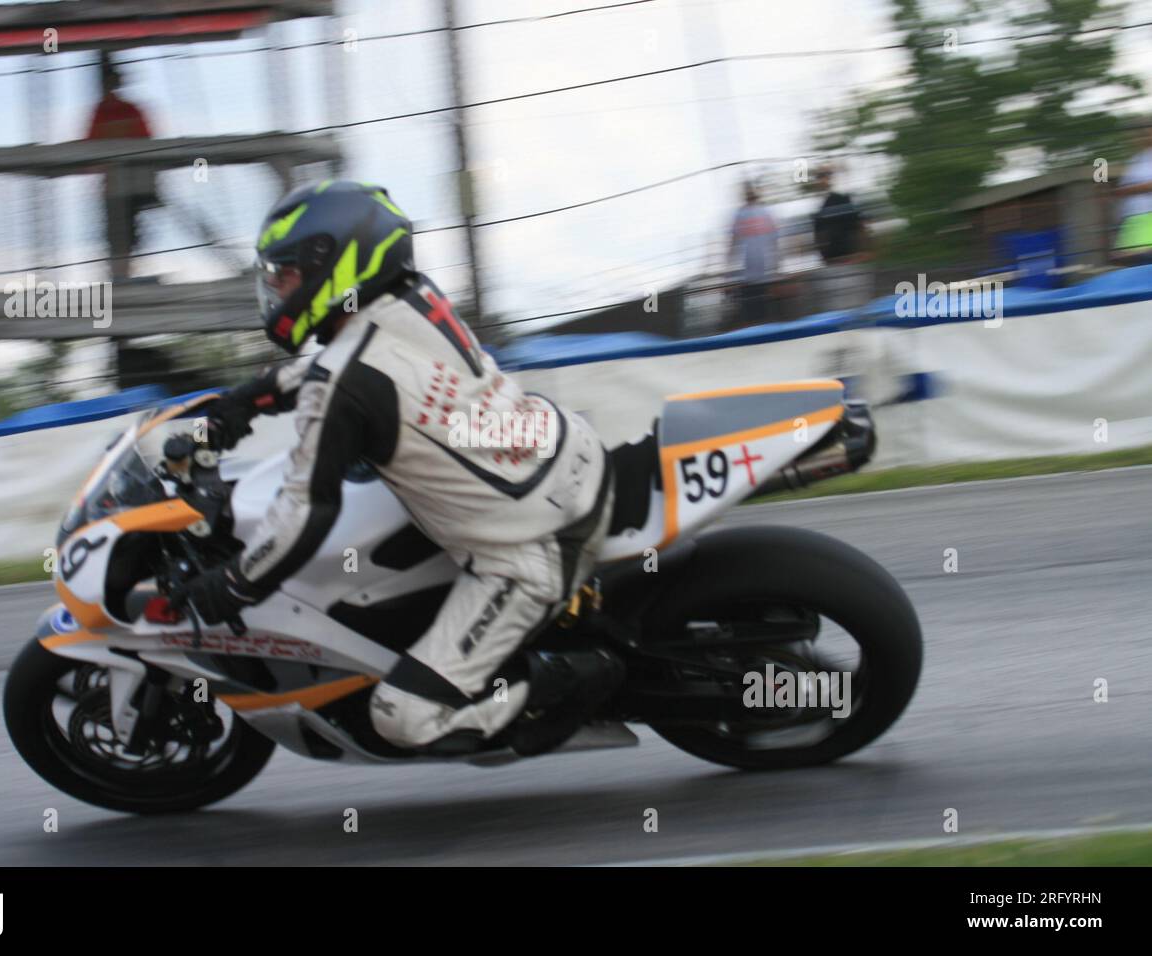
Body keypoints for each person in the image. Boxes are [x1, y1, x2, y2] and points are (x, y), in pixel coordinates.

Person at [175, 181, 621, 756]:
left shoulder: (341, 381)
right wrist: (244, 402)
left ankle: (576, 676)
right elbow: (345, 368)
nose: (275, 288)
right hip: (565, 450)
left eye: (283, 273)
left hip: (532, 547)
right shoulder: (410, 300)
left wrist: (231, 586)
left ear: (331, 266)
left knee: (403, 718)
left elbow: (303, 514)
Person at [85, 57, 157, 279]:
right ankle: (121, 278)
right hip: (121, 186)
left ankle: (122, 278)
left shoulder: (119, 110)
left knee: (122, 238)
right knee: (122, 238)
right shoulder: (120, 111)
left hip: (125, 186)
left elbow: (90, 147)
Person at [810, 165, 872, 311]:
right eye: (820, 177)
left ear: (830, 178)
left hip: (850, 259)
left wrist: (864, 252)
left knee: (858, 305)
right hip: (833, 264)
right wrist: (824, 259)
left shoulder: (842, 200)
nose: (822, 180)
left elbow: (860, 225)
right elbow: (818, 238)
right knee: (840, 307)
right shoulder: (819, 209)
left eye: (825, 176)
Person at [727, 181, 781, 327]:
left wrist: (777, 269)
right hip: (750, 275)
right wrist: (729, 275)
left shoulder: (764, 212)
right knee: (754, 317)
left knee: (761, 316)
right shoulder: (742, 214)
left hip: (761, 274)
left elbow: (774, 241)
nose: (749, 193)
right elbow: (733, 244)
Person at [1113, 123, 1152, 263]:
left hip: (1148, 219)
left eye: (1146, 132)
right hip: (1133, 220)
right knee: (1131, 261)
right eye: (1140, 133)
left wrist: (1129, 190)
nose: (1142, 136)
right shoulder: (1136, 160)